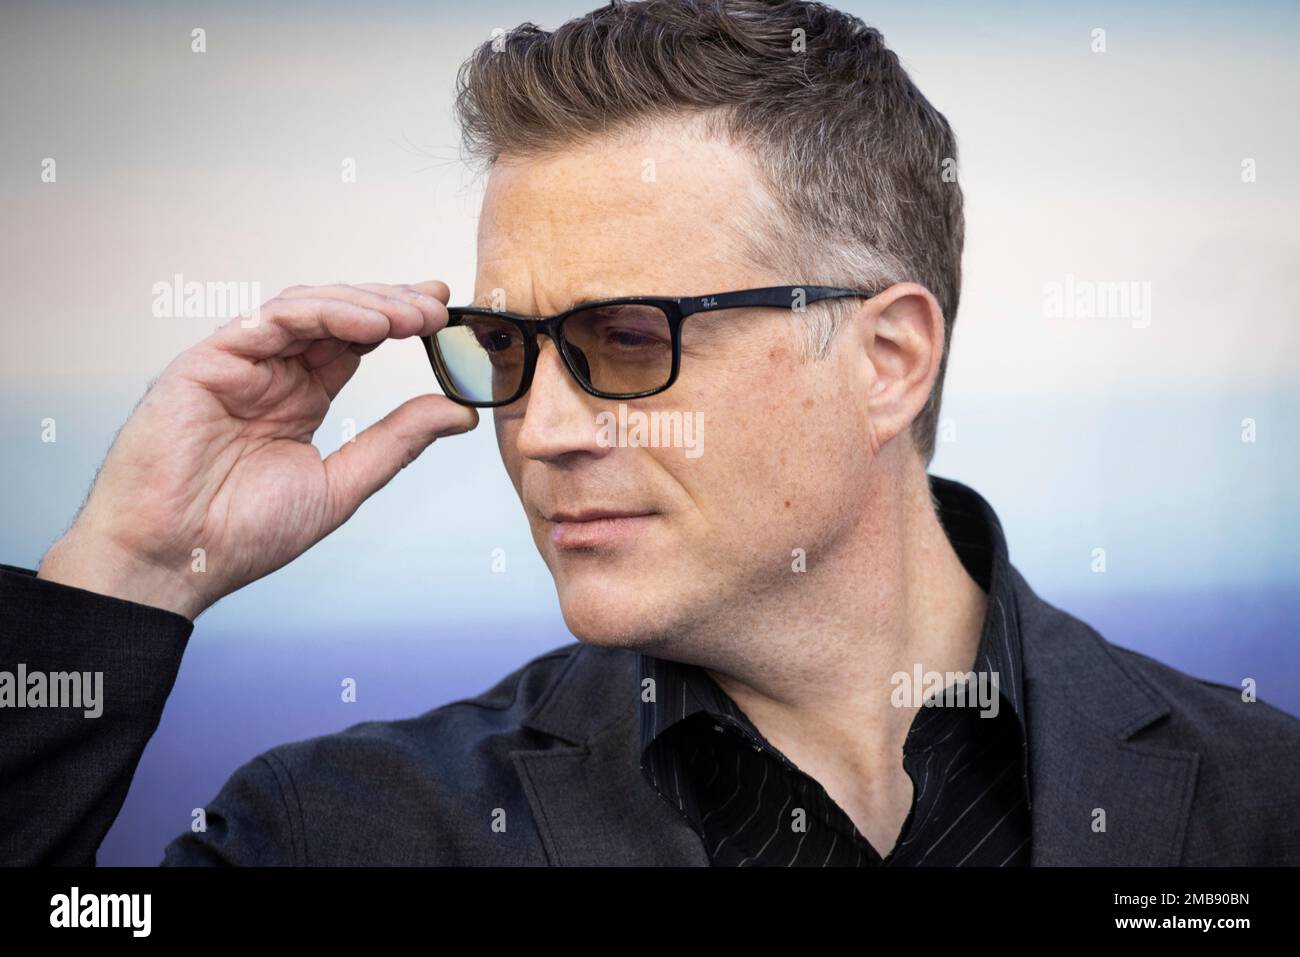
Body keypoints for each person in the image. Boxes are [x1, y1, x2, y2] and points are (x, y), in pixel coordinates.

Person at [2, 0, 1297, 867]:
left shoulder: (1264, 801)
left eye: (629, 339)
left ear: (888, 357)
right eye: (507, 350)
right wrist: (127, 574)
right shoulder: (345, 831)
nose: (541, 430)